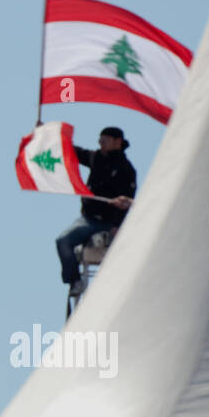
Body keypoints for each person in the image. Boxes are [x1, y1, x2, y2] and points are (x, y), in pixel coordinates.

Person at [55, 126, 136, 299]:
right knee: (63, 241)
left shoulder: (126, 170)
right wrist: (48, 137)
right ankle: (74, 281)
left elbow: (128, 201)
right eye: (99, 141)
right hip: (88, 220)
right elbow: (73, 152)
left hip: (109, 223)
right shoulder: (97, 158)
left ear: (117, 142)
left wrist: (116, 225)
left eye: (103, 141)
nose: (100, 145)